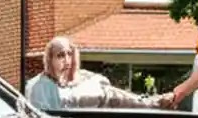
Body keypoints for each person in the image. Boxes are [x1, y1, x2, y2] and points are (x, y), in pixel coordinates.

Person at [25, 36, 167, 110]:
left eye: (69, 54)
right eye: (60, 55)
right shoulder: (37, 87)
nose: (66, 60)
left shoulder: (88, 80)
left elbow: (119, 98)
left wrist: (152, 103)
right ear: (50, 59)